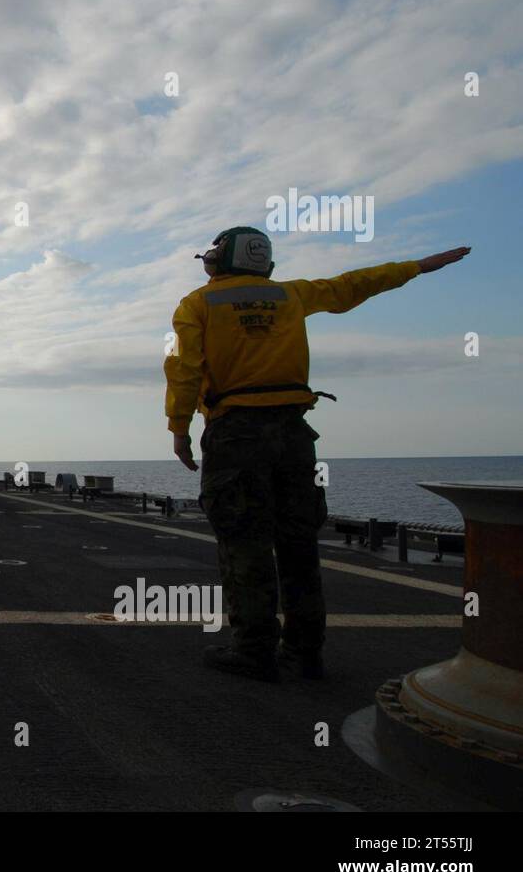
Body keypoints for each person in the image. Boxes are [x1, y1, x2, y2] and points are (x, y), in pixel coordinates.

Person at [163, 227, 470, 682]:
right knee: (299, 544)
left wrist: (180, 428)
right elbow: (352, 285)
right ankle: (305, 653)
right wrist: (416, 267)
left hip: (235, 435)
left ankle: (253, 650)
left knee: (244, 543)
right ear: (265, 263)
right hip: (293, 434)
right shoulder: (291, 296)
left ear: (217, 261)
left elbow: (184, 368)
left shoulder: (198, 304)